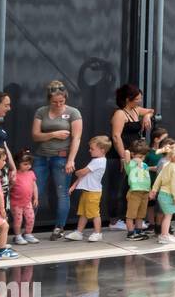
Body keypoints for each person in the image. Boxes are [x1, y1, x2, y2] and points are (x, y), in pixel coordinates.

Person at [31, 80, 82, 240]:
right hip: (41, 157)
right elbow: (35, 135)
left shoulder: (73, 113)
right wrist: (54, 134)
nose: (58, 104)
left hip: (61, 157)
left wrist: (71, 160)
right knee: (34, 192)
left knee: (62, 193)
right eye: (55, 102)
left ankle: (59, 227)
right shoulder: (41, 111)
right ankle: (26, 229)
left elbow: (76, 138)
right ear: (49, 100)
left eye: (62, 101)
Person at [108, 85, 154, 228]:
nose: (140, 101)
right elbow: (116, 137)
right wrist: (123, 157)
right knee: (118, 187)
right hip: (121, 155)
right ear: (128, 99)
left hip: (136, 156)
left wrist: (147, 116)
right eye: (137, 99)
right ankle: (115, 220)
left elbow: (151, 110)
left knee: (133, 186)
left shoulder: (136, 110)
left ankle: (132, 218)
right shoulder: (120, 114)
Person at [66, 136, 111, 242]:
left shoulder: (99, 161)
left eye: (92, 149)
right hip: (87, 191)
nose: (89, 150)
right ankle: (79, 232)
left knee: (94, 213)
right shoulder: (95, 161)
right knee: (84, 213)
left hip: (93, 192)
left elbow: (82, 173)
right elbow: (83, 176)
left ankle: (97, 233)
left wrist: (76, 172)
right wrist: (73, 186)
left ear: (102, 150)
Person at [149, 142, 175, 246]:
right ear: (174, 156)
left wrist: (154, 190)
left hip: (162, 194)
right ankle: (164, 235)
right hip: (169, 195)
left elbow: (159, 179)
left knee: (166, 215)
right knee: (168, 216)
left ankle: (164, 234)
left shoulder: (167, 165)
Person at [123, 140, 153, 241]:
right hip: (134, 192)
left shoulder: (144, 165)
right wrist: (134, 158)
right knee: (131, 214)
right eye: (140, 156)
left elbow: (147, 178)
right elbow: (126, 152)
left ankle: (138, 230)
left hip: (144, 192)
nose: (142, 159)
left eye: (143, 157)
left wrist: (150, 190)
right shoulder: (130, 164)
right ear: (133, 154)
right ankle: (131, 233)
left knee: (141, 214)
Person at [9, 151, 39, 247]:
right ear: (18, 163)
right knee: (18, 220)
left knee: (31, 218)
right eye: (25, 164)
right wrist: (11, 183)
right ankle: (17, 236)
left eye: (30, 164)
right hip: (16, 203)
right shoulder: (13, 173)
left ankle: (28, 234)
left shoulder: (31, 173)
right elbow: (8, 188)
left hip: (27, 202)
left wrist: (36, 198)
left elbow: (34, 186)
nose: (28, 166)